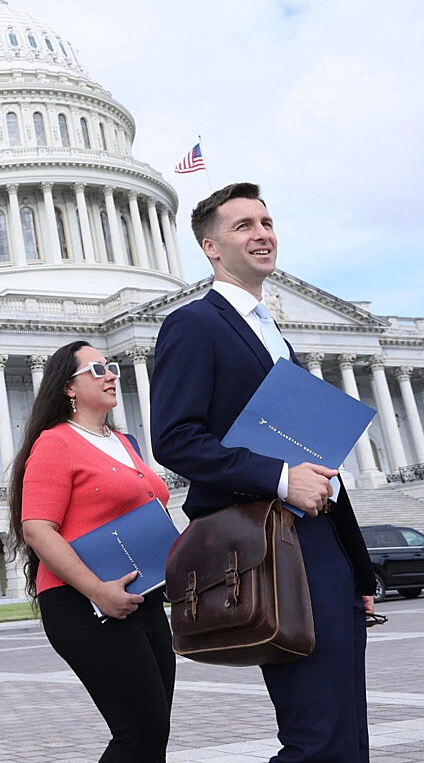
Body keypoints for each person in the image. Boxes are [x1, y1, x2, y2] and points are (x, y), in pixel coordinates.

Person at [150, 182, 375, 762]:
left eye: (267, 222)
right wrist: (278, 477)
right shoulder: (194, 325)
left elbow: (315, 459)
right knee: (316, 737)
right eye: (244, 225)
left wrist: (357, 571)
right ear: (210, 247)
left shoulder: (276, 335)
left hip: (321, 544)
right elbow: (175, 439)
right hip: (271, 543)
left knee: (348, 734)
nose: (262, 234)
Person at [8, 341, 174, 762]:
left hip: (143, 599)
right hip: (83, 603)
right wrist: (98, 590)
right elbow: (37, 529)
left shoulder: (125, 441)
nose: (112, 375)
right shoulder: (55, 443)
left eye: (112, 367)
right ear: (68, 387)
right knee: (139, 731)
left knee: (153, 734)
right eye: (98, 369)